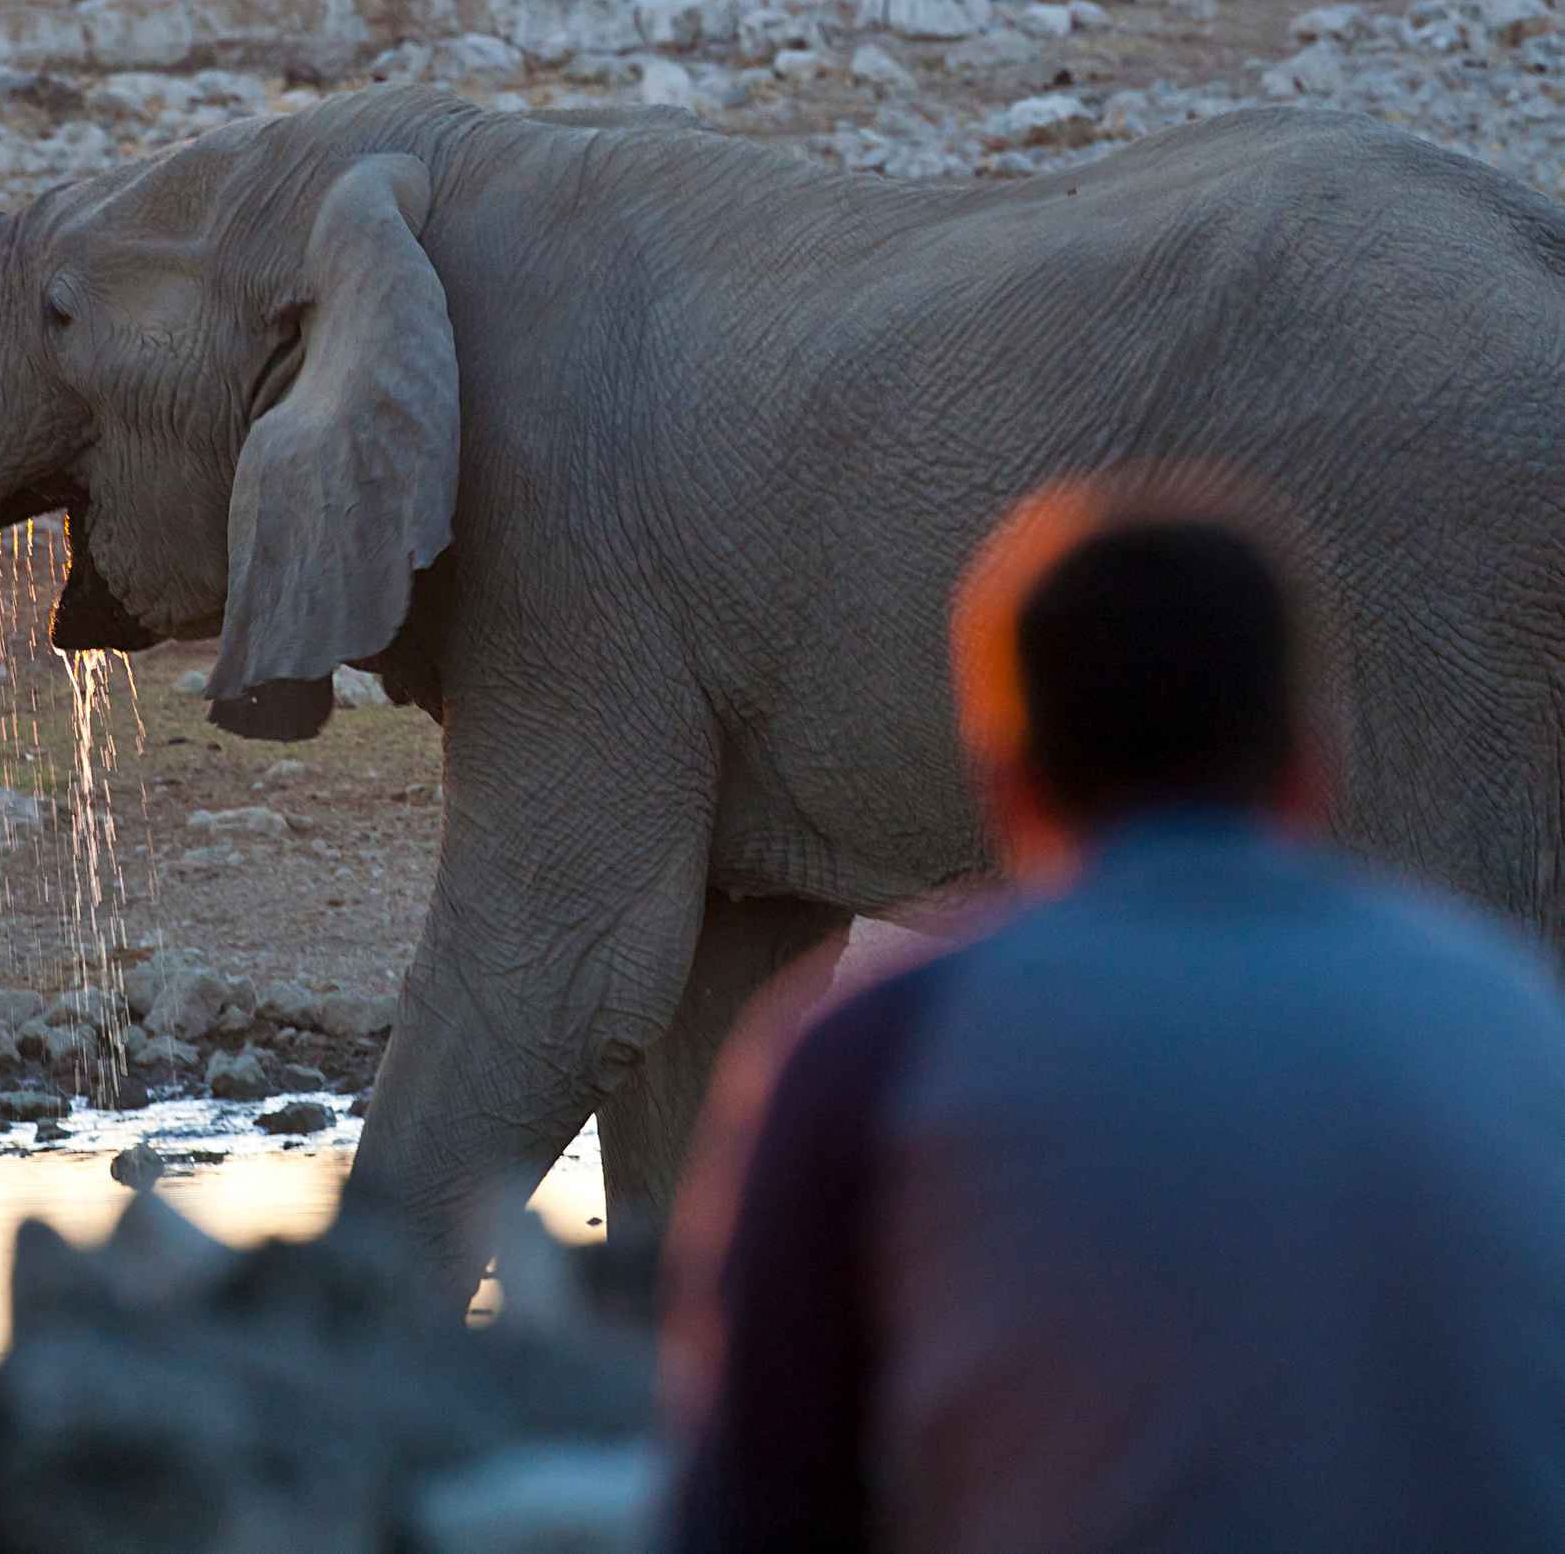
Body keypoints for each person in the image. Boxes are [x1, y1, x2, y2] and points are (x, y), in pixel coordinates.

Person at [662, 479, 1565, 1552]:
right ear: (1310, 764)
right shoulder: (1517, 1016)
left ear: (1007, 779)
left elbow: (754, 1507)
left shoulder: (870, 1052)